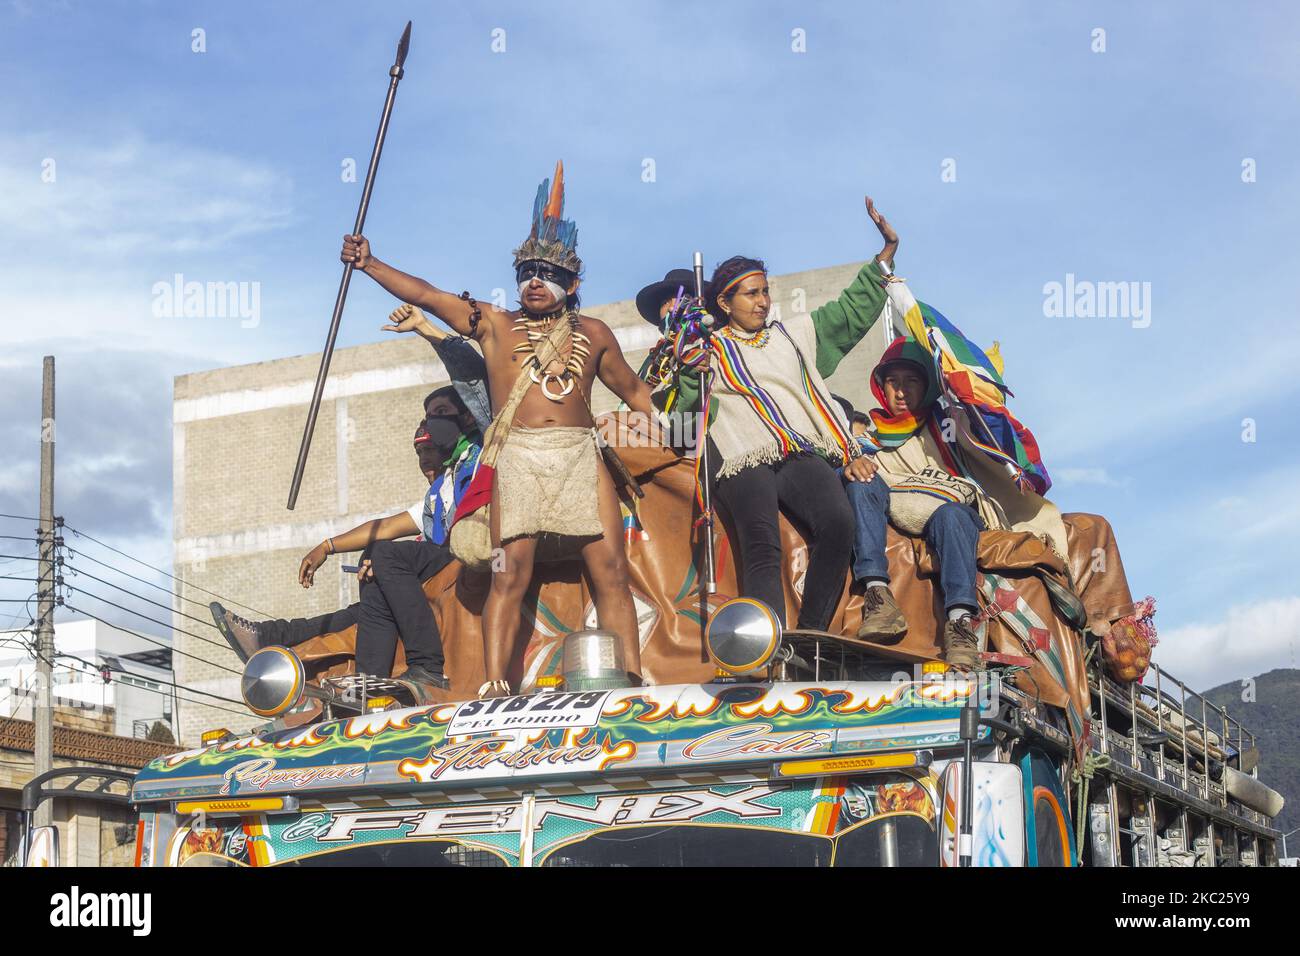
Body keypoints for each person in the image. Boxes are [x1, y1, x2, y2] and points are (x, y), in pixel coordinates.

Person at [340, 161, 660, 697]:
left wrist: (698, 419)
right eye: (527, 272)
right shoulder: (493, 323)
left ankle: (627, 682)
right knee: (508, 574)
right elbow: (428, 296)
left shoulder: (596, 333)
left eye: (549, 273)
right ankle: (494, 685)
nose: (535, 282)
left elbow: (636, 394)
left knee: (611, 571)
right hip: (518, 458)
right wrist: (370, 263)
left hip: (581, 455)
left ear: (573, 283)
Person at [665, 196, 899, 630]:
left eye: (765, 291)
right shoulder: (706, 350)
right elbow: (683, 421)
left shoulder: (794, 336)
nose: (762, 301)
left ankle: (810, 634)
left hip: (798, 450)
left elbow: (848, 314)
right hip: (740, 455)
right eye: (751, 294)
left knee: (838, 522)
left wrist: (883, 259)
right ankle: (762, 642)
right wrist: (689, 376)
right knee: (762, 543)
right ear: (724, 302)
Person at [212, 393, 481, 686]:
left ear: (467, 416)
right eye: (420, 451)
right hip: (437, 559)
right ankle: (361, 679)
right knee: (370, 580)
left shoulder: (482, 453)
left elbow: (477, 384)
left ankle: (427, 665)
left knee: (384, 555)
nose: (426, 457)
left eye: (440, 414)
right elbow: (387, 526)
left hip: (469, 551)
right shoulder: (439, 490)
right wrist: (328, 546)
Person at [847, 329, 1070, 671]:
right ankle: (878, 597)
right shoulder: (868, 439)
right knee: (859, 480)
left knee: (950, 515)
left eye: (912, 381)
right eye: (893, 381)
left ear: (926, 386)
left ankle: (961, 624)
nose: (902, 390)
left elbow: (994, 436)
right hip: (899, 509)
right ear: (881, 386)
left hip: (954, 513)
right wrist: (851, 467)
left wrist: (969, 393)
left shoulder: (950, 421)